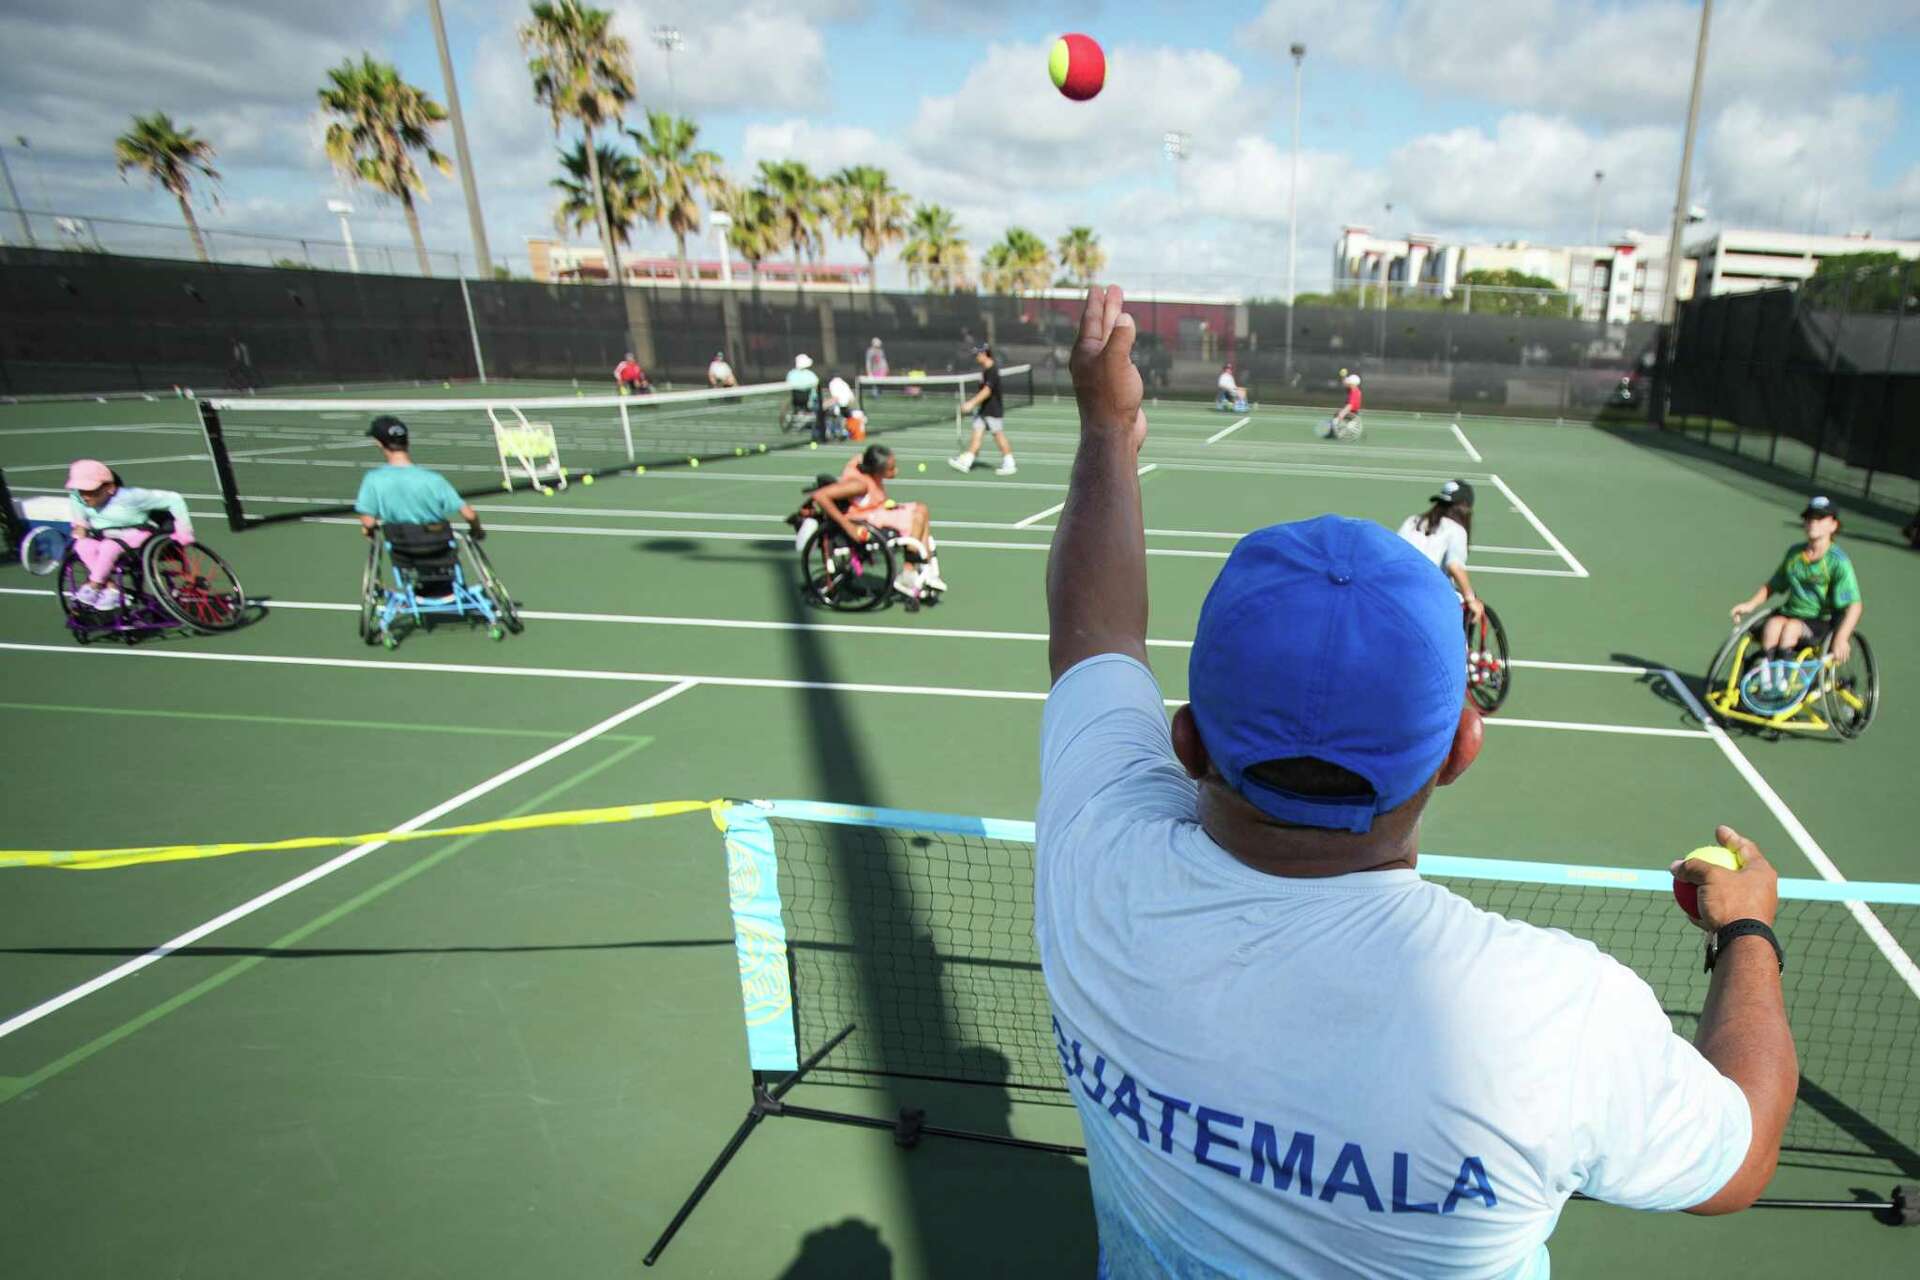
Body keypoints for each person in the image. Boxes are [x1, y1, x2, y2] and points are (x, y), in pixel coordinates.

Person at [1037, 283, 1796, 1277]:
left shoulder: (1095, 855)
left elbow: (1092, 632)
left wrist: (1108, 426)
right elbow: (1740, 1154)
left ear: (1187, 741)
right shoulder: (1554, 1015)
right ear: (1458, 748)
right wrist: (1748, 930)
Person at [1729, 494, 1864, 692]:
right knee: (1773, 625)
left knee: (1791, 628)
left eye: (1819, 518)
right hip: (1791, 613)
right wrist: (1750, 604)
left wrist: (1842, 637)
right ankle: (1768, 679)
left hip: (1822, 621)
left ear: (1833, 525)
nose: (1812, 523)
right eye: (1809, 518)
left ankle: (1782, 684)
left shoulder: (1838, 561)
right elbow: (1773, 585)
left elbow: (1855, 605)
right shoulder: (1795, 554)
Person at [792, 443, 946, 597]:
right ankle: (908, 570)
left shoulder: (867, 464)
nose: (896, 470)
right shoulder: (859, 485)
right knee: (916, 517)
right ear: (878, 472)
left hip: (877, 511)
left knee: (922, 508)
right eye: (891, 469)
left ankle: (925, 568)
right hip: (865, 519)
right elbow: (820, 496)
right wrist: (849, 527)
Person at [64, 459, 194, 611]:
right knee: (83, 545)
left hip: (138, 536)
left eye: (91, 491)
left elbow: (175, 499)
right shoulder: (77, 497)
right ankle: (111, 588)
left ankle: (94, 585)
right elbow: (77, 509)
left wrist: (184, 531)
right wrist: (80, 525)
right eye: (81, 491)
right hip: (106, 537)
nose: (85, 496)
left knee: (109, 546)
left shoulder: (131, 497)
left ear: (110, 488)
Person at [354, 416, 485, 549]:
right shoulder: (433, 479)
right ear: (407, 442)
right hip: (440, 551)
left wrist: (368, 531)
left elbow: (369, 522)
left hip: (402, 553)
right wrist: (477, 530)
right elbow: (469, 514)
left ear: (379, 443)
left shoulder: (373, 479)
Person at [1397, 479, 1483, 622]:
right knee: (1466, 603)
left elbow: (1393, 551)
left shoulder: (1412, 521)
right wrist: (1471, 598)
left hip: (1399, 590)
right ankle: (1462, 644)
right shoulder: (1457, 530)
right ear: (1465, 508)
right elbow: (1454, 566)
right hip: (1431, 597)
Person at [948, 345, 1017, 476]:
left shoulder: (992, 370)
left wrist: (971, 404)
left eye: (978, 354)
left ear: (985, 354)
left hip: (993, 410)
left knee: (998, 435)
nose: (976, 357)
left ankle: (1010, 463)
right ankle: (966, 461)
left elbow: (987, 391)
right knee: (977, 433)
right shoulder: (986, 370)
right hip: (984, 410)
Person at [787, 353, 823, 440]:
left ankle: (800, 416)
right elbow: (816, 386)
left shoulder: (791, 374)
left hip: (796, 401)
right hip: (809, 401)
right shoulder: (810, 375)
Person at [824, 372, 857, 441]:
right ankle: (842, 432)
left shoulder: (833, 384)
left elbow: (836, 399)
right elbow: (852, 399)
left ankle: (831, 433)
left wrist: (824, 404)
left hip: (840, 408)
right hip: (847, 407)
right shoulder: (844, 383)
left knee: (828, 414)